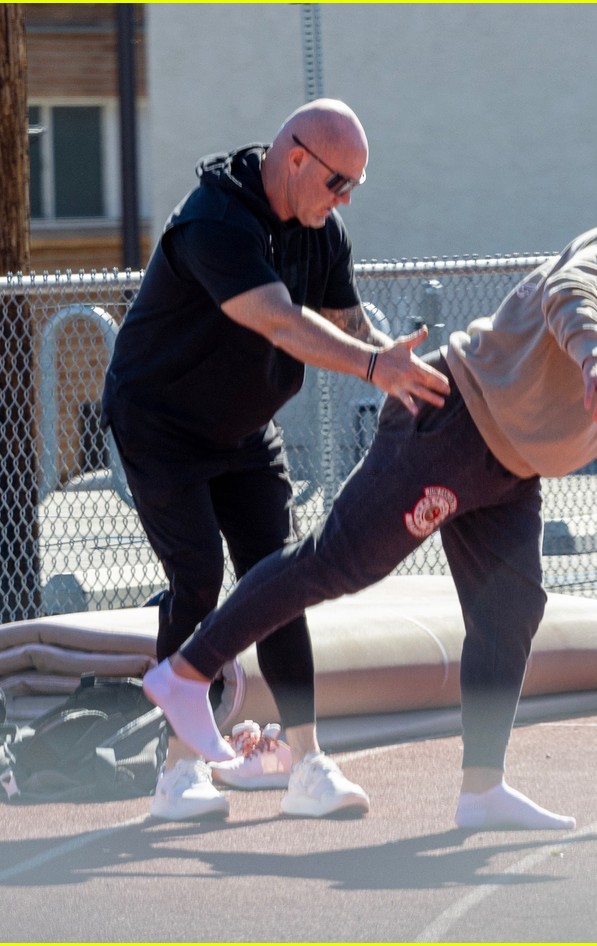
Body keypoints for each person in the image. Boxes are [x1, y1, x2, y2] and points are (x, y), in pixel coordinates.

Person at [144, 165, 597, 830]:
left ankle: (482, 792)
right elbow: (573, 289)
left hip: (509, 470)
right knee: (336, 562)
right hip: (454, 428)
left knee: (509, 610)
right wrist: (594, 358)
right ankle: (187, 674)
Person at [103, 98, 450, 822]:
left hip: (243, 429)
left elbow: (353, 328)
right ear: (296, 159)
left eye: (356, 185)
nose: (345, 198)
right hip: (160, 424)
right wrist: (371, 367)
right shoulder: (214, 221)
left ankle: (308, 763)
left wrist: (422, 379)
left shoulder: (323, 230)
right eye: (337, 182)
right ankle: (178, 774)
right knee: (196, 580)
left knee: (284, 575)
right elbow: (280, 321)